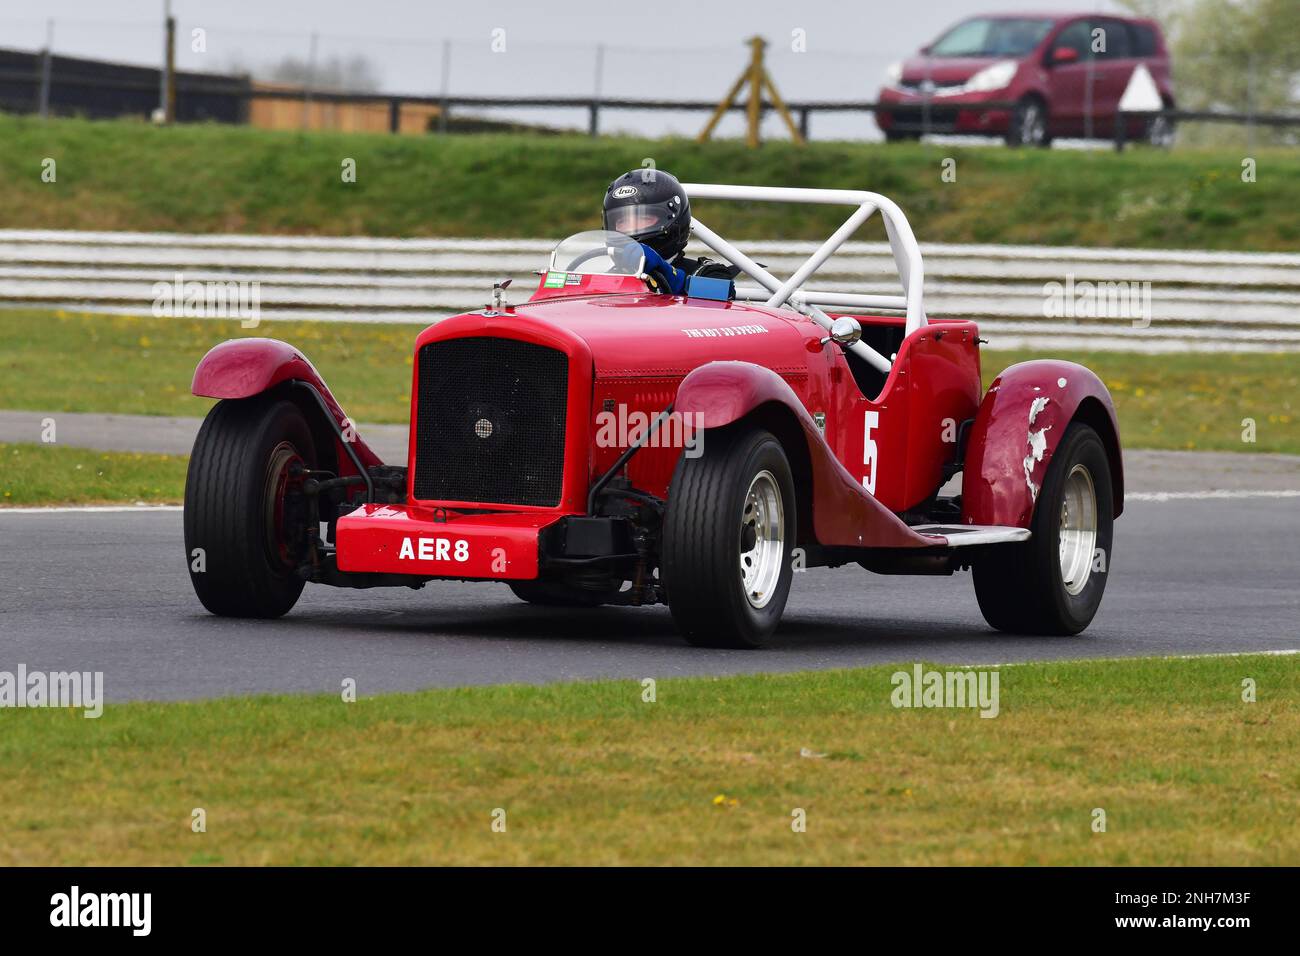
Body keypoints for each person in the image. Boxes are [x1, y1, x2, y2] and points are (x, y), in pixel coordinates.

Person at [602, 170, 742, 285]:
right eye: (623, 221)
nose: (631, 228)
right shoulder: (607, 279)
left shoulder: (708, 274)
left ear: (673, 221)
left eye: (643, 218)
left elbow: (724, 292)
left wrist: (668, 274)